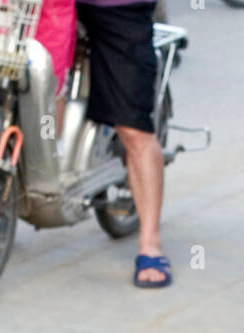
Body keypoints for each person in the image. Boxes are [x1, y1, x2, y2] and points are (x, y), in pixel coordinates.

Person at [75, 1, 171, 286]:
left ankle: (150, 244)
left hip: (117, 7)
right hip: (45, 7)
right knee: (0, 93)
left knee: (134, 131)